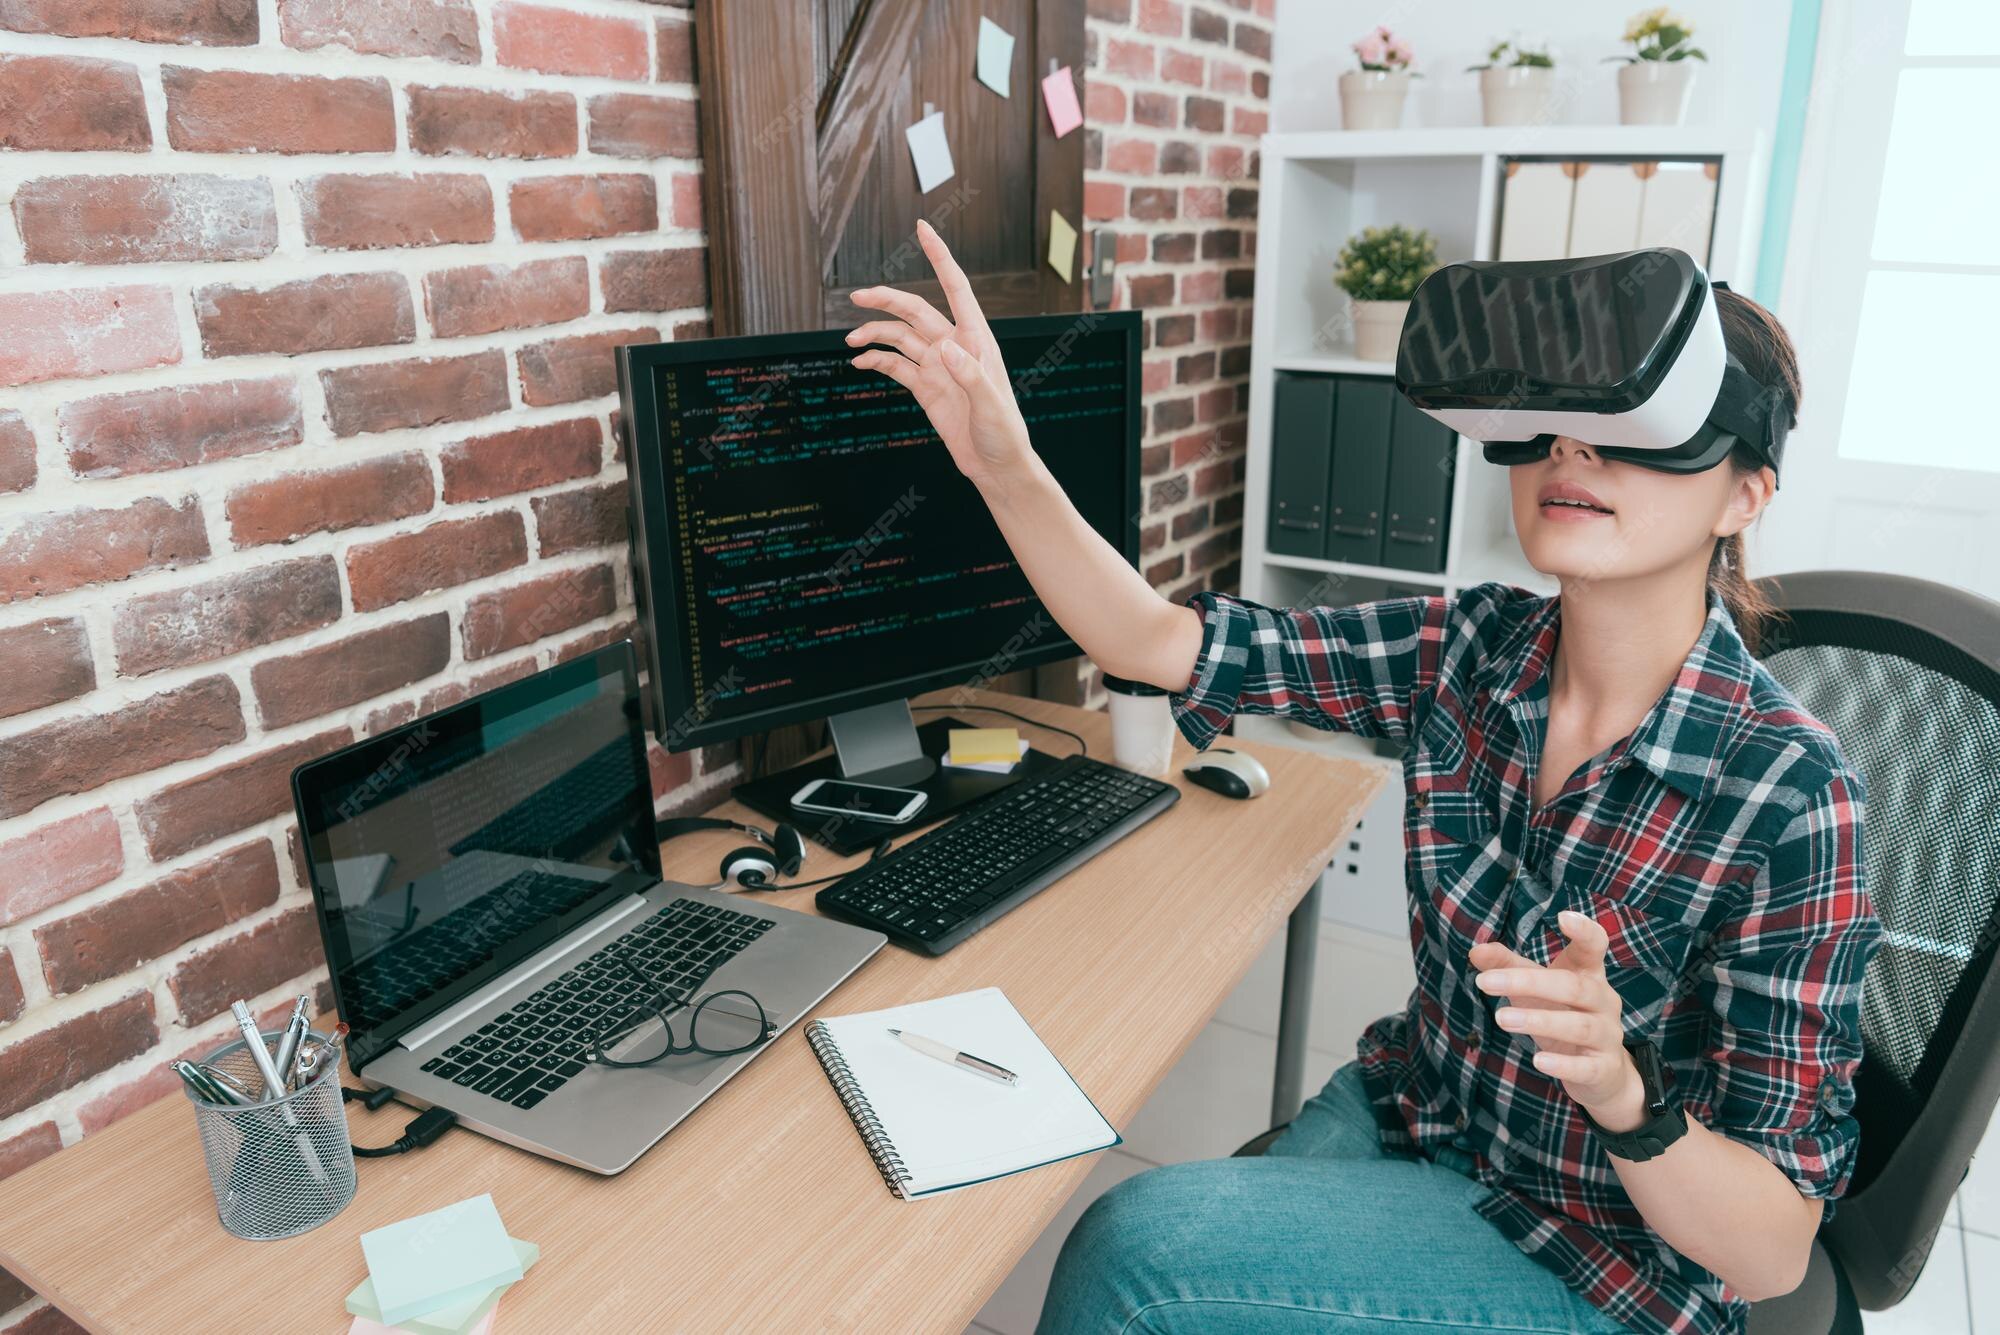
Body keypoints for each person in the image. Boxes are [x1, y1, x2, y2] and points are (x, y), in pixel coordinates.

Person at [846, 221, 1882, 1335]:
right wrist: (1002, 461)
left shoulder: (1788, 796)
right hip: (1419, 1117)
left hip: (1603, 1259)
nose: (1571, 456)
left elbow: (1773, 1256)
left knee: (1131, 1259)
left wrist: (1617, 1088)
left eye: (1634, 432)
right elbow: (1154, 642)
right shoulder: (1468, 652)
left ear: (1743, 495)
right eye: (1553, 425)